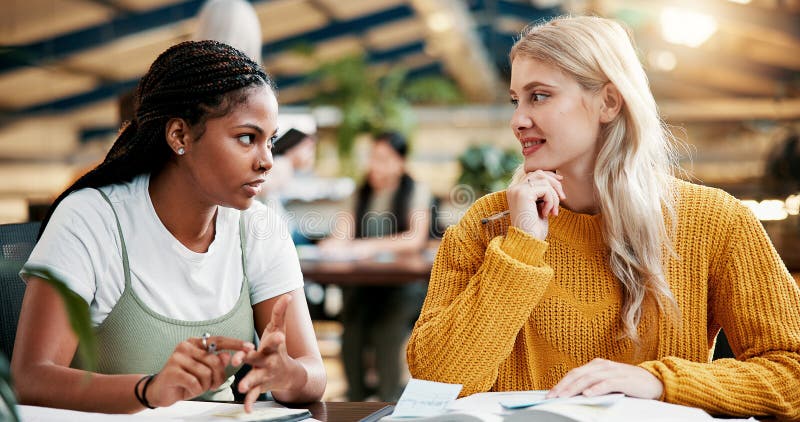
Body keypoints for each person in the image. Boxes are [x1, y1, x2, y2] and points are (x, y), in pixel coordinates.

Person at [406, 15, 800, 419]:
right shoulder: (487, 223)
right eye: (515, 100)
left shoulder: (716, 221)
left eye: (539, 96)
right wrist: (521, 248)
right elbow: (435, 382)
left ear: (609, 102)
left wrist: (660, 382)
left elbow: (792, 373)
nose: (517, 120)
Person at [11, 40, 325, 414]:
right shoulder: (92, 219)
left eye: (270, 141)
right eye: (247, 138)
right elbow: (30, 379)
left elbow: (313, 373)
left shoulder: (260, 228)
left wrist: (286, 374)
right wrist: (149, 390)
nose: (267, 161)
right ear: (180, 136)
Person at [319, 132, 431, 401]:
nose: (374, 165)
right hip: (365, 285)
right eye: (372, 157)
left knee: (387, 328)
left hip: (404, 286)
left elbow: (414, 239)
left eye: (383, 159)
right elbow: (341, 234)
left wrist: (368, 246)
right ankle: (355, 401)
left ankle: (389, 400)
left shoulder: (415, 191)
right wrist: (332, 245)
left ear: (400, 163)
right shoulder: (360, 193)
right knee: (353, 326)